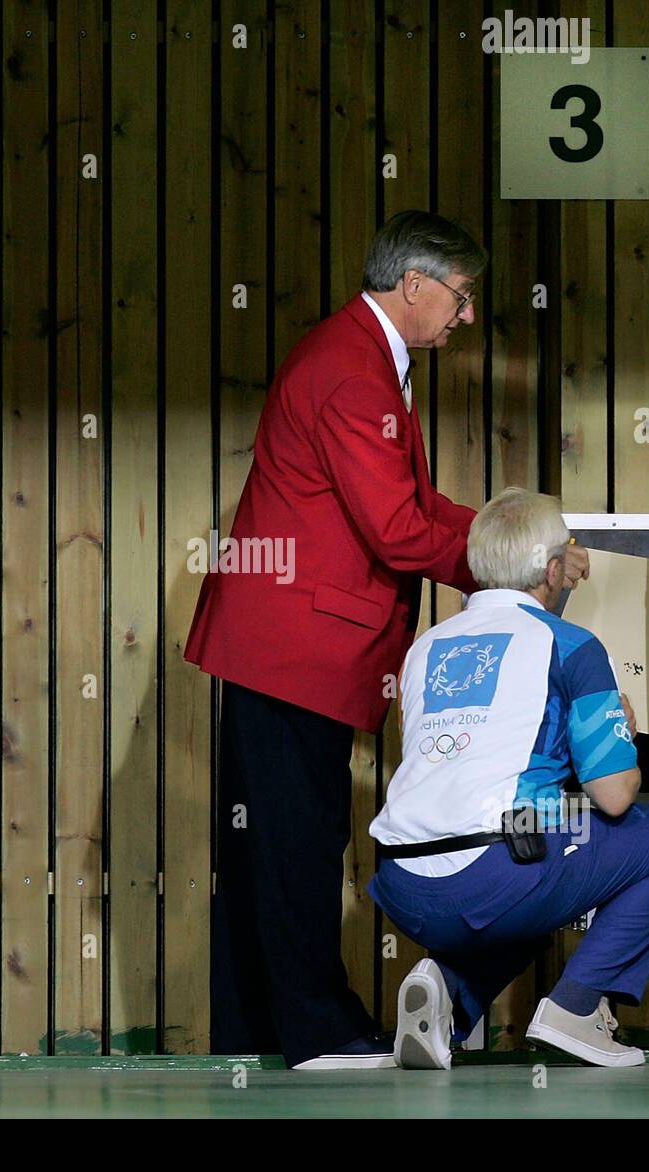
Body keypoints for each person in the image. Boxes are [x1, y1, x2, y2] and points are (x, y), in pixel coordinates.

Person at [184, 212, 589, 1070]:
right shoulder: (352, 372)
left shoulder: (360, 360)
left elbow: (419, 513)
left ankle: (269, 1028)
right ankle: (316, 1031)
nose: (467, 315)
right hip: (295, 651)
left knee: (283, 843)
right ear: (415, 283)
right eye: (462, 294)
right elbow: (402, 530)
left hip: (285, 648)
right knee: (295, 843)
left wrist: (501, 541)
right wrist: (520, 567)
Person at [369, 487, 649, 1069]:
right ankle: (575, 1009)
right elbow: (616, 795)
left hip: (402, 878)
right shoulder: (571, 644)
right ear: (553, 570)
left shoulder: (427, 647)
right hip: (496, 870)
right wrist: (614, 731)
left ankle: (446, 997)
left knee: (539, 872)